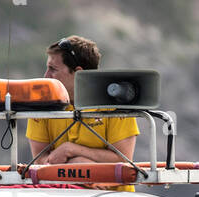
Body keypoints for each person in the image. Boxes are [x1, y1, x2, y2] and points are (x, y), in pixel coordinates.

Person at [26, 36, 139, 187]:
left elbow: (124, 161)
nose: (46, 76)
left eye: (53, 69)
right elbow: (39, 161)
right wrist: (79, 165)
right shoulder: (40, 106)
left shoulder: (115, 105)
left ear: (79, 73)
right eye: (47, 68)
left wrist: (71, 150)